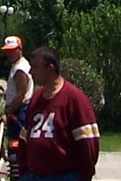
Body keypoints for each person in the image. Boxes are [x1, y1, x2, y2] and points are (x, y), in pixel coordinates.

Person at [20, 46, 100, 181]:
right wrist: (23, 171)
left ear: (50, 68)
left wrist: (84, 176)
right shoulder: (35, 98)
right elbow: (24, 137)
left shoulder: (74, 99)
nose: (31, 72)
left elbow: (88, 143)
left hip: (63, 175)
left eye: (35, 67)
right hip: (33, 175)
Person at [2, 35, 34, 181]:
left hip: (18, 112)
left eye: (12, 50)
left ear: (19, 49)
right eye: (7, 50)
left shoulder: (20, 69)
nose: (9, 53)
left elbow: (21, 93)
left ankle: (17, 176)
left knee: (15, 146)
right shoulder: (17, 66)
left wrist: (9, 111)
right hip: (18, 110)